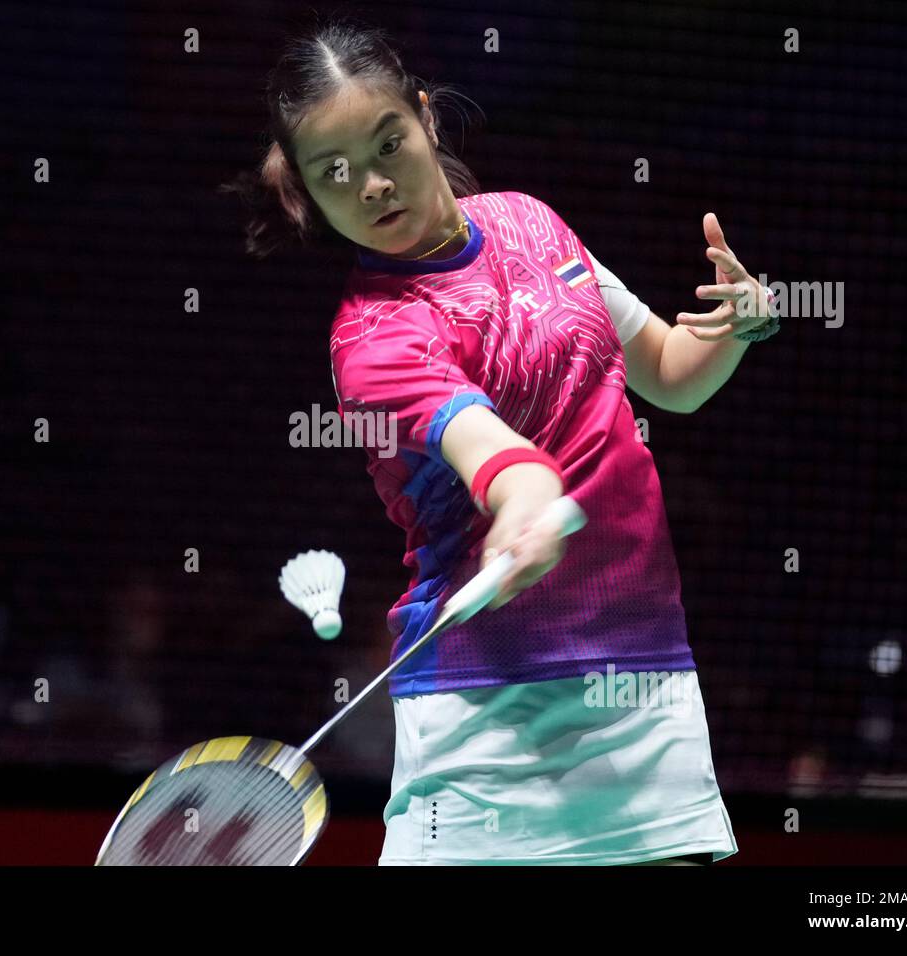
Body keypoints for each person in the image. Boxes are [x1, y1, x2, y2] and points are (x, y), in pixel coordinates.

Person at [222, 16, 780, 865]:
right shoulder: (371, 340)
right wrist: (526, 504)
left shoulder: (532, 225)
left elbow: (669, 371)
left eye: (385, 145)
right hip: (484, 722)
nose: (371, 184)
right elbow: (489, 452)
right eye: (335, 173)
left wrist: (736, 329)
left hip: (642, 684)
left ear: (425, 116)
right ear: (305, 190)